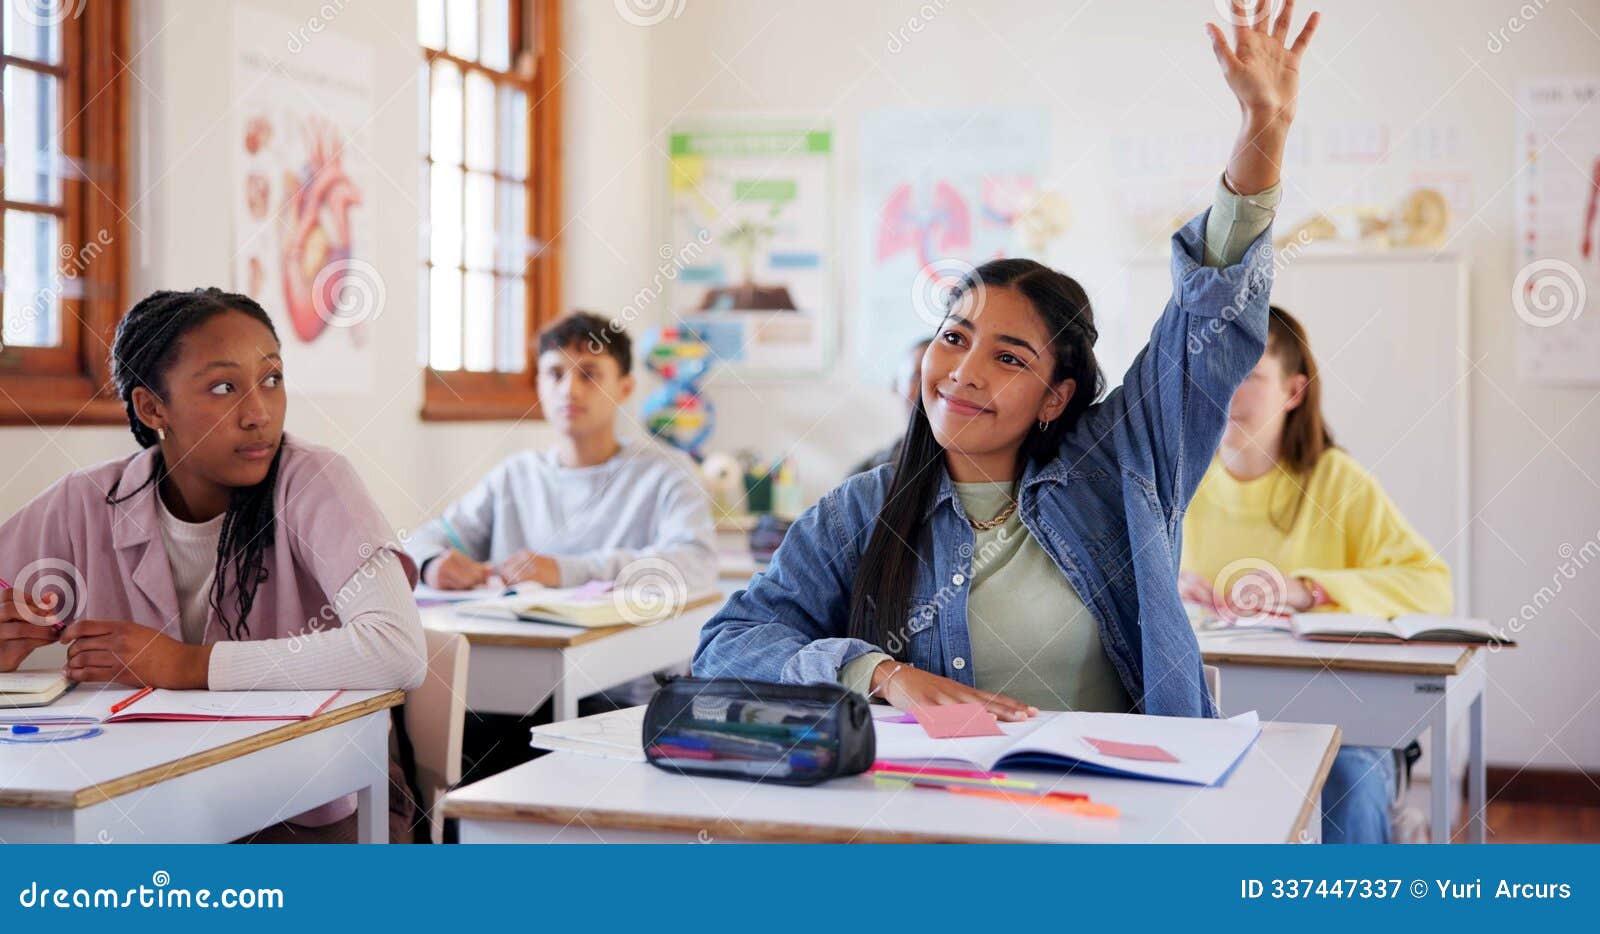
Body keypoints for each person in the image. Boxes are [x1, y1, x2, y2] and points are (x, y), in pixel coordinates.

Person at [694, 5, 1320, 722]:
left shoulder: (1120, 468)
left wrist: (1262, 129)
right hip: (939, 812)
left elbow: (1208, 313)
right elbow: (727, 647)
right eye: (954, 338)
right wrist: (878, 671)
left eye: (1010, 357)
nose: (964, 372)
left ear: (1056, 396)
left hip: (1121, 812)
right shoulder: (858, 512)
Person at [0, 287, 426, 841]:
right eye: (224, 387)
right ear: (153, 407)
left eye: (272, 380)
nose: (258, 414)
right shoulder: (85, 501)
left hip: (306, 806)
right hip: (142, 803)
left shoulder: (316, 482)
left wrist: (186, 665)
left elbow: (398, 650)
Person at [1180, 305, 1451, 843]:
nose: (1227, 389)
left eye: (1249, 375)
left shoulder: (1336, 480)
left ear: (1293, 392)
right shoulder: (1180, 479)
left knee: (1347, 779)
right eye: (1217, 371)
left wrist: (1308, 591)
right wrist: (1166, 587)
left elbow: (1431, 585)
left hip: (1334, 714)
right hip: (1210, 708)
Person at [852, 337, 933, 475]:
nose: (926, 389)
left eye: (933, 378)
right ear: (896, 385)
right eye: (916, 377)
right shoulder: (867, 477)